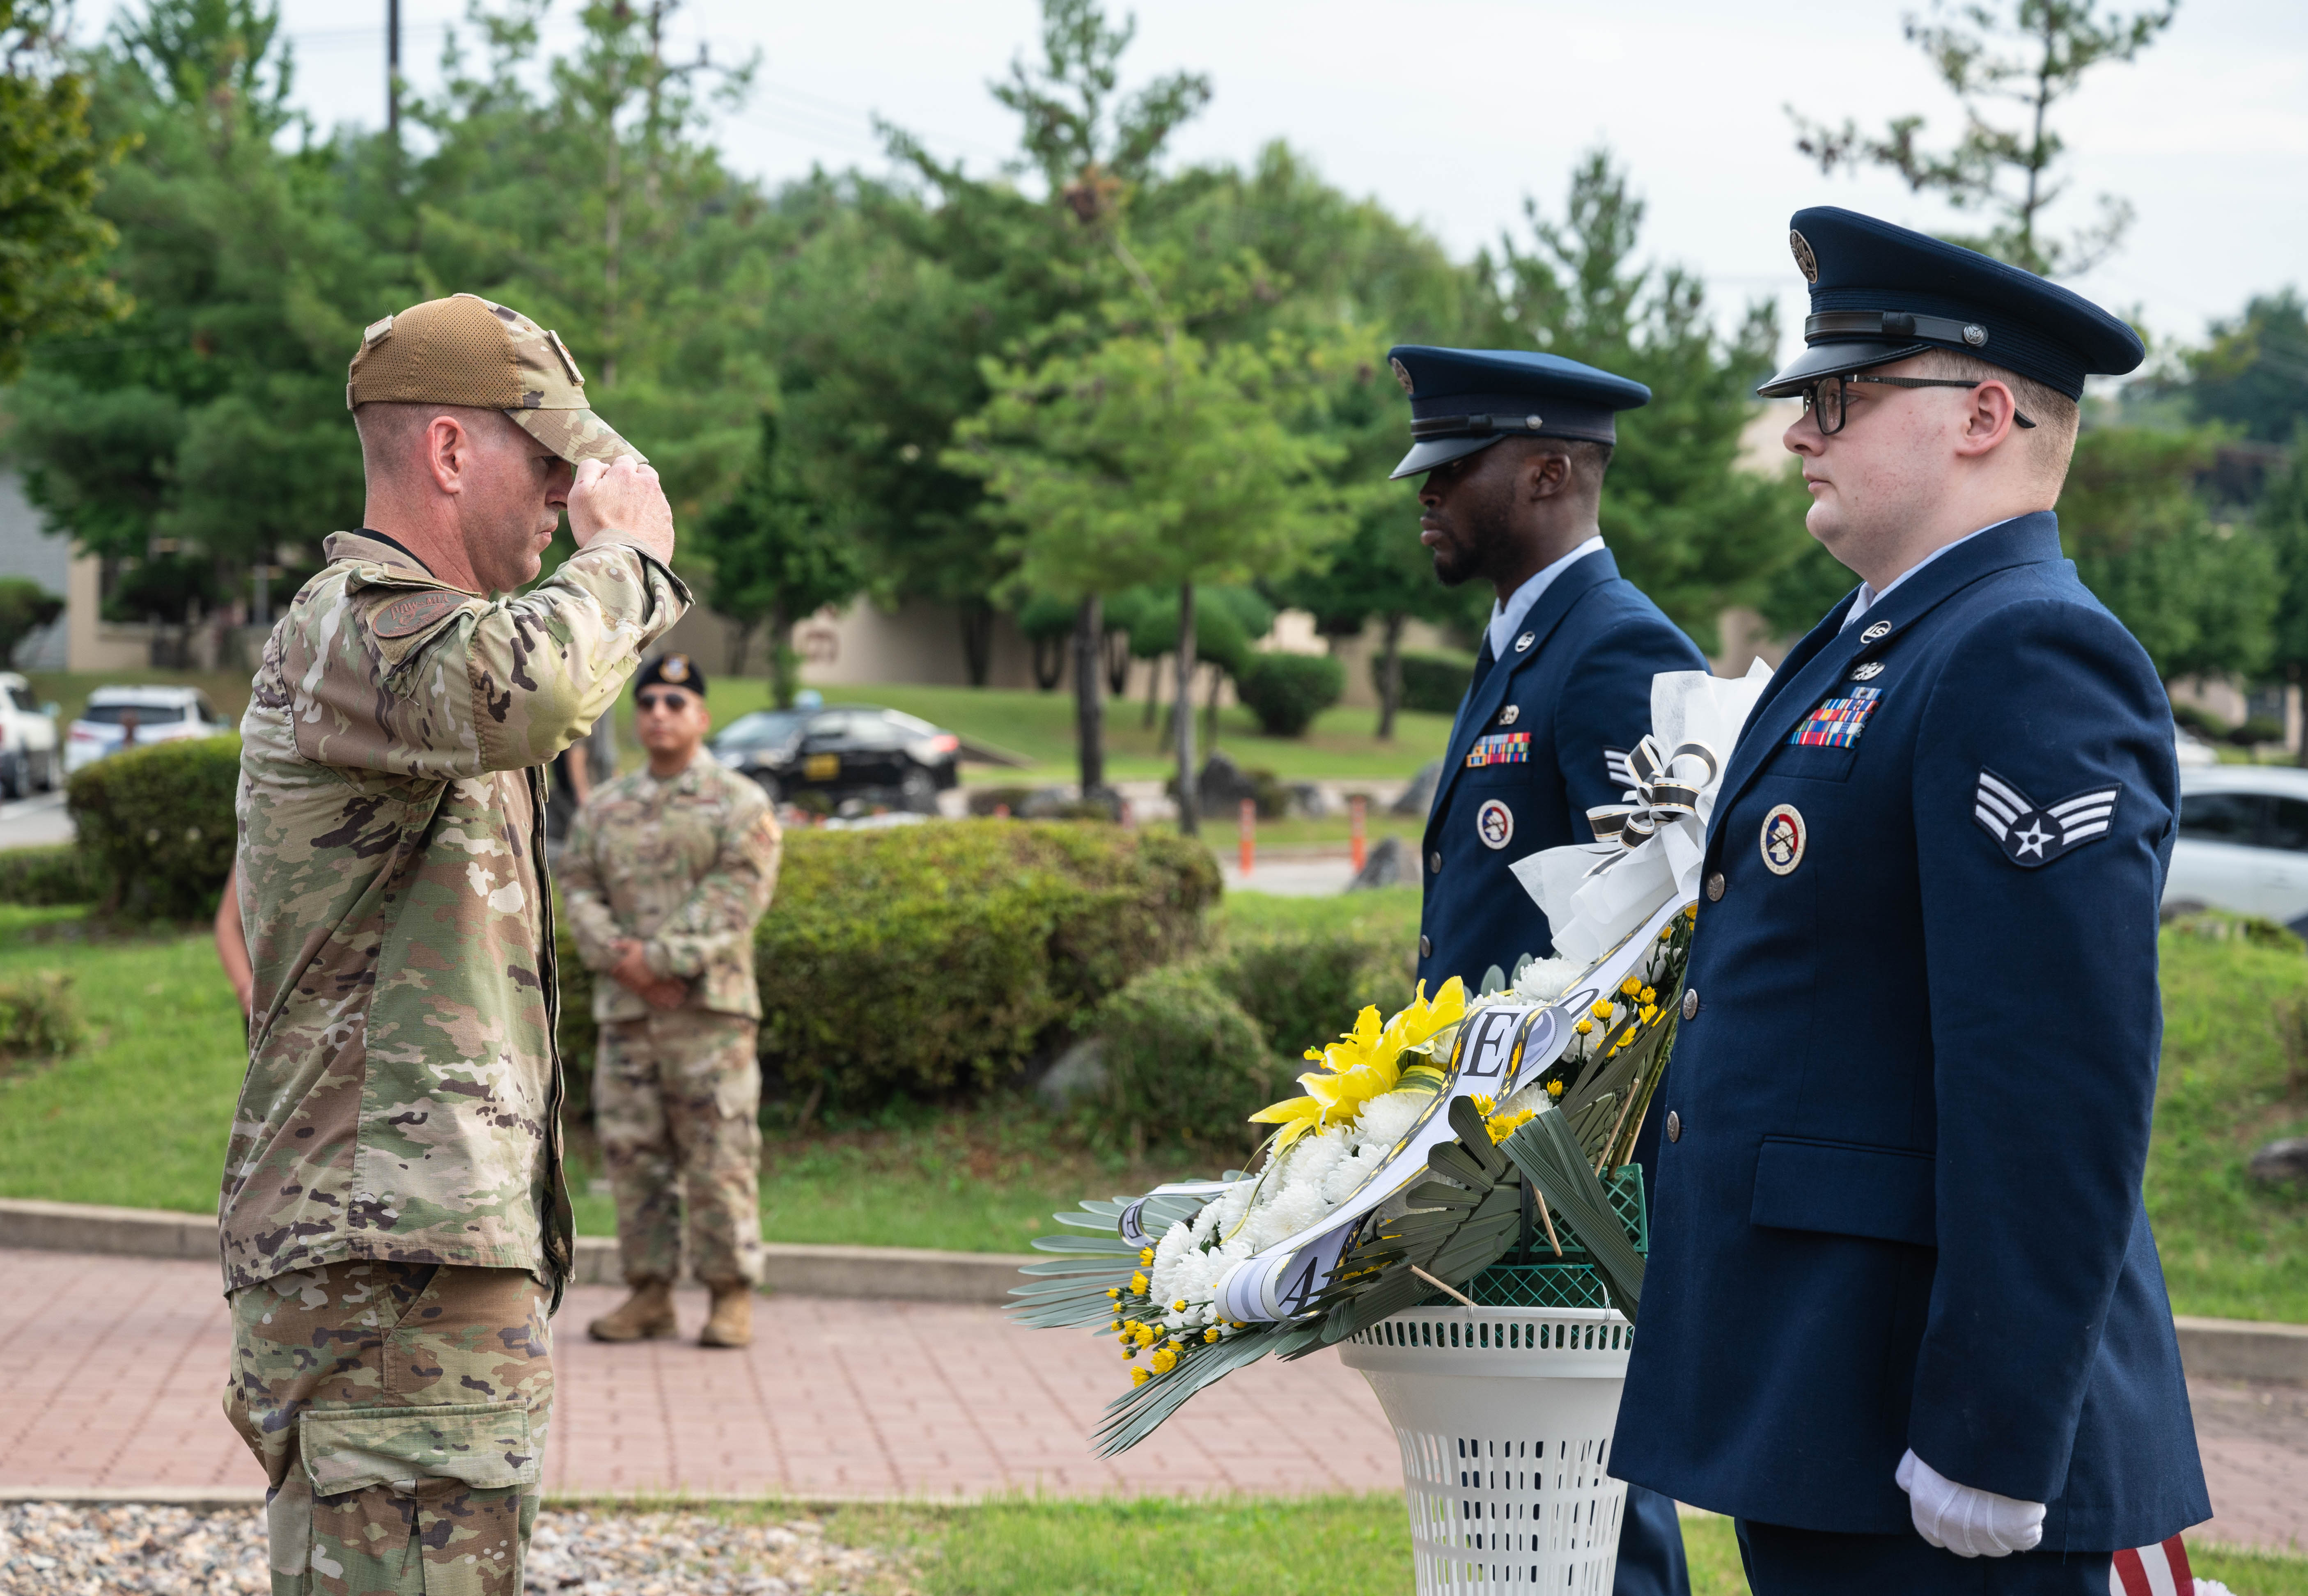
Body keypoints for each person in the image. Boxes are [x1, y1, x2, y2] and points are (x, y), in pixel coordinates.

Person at [1612, 207, 2209, 1593]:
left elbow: (2055, 1075)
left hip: (1926, 1424)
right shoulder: (1879, 638)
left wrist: (1991, 1436)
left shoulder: (2027, 650)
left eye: (1838, 395)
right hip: (1826, 1382)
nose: (1797, 433)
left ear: (1983, 413)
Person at [221, 292, 686, 1596]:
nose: (563, 492)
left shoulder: (424, 647)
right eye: (544, 458)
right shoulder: (361, 623)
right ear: (444, 451)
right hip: (386, 1260)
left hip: (424, 1251)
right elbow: (530, 688)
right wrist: (631, 556)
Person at [1389, 342, 1703, 1596]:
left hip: (1567, 1179)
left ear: (1547, 472)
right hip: (1496, 1157)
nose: (1421, 491)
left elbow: (1652, 942)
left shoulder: (1612, 647)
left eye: (1449, 467)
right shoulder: (1524, 644)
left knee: (1590, 1513)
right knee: (1511, 1511)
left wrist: (1567, 1146)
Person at [559, 653, 782, 1349]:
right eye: (649, 700)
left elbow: (736, 896)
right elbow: (577, 888)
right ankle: (648, 1292)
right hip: (629, 1017)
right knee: (635, 1157)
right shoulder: (607, 806)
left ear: (702, 718)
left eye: (675, 703)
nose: (659, 713)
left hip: (707, 1014)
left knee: (718, 1154)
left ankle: (730, 1293)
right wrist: (626, 966)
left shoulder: (740, 804)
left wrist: (655, 961)